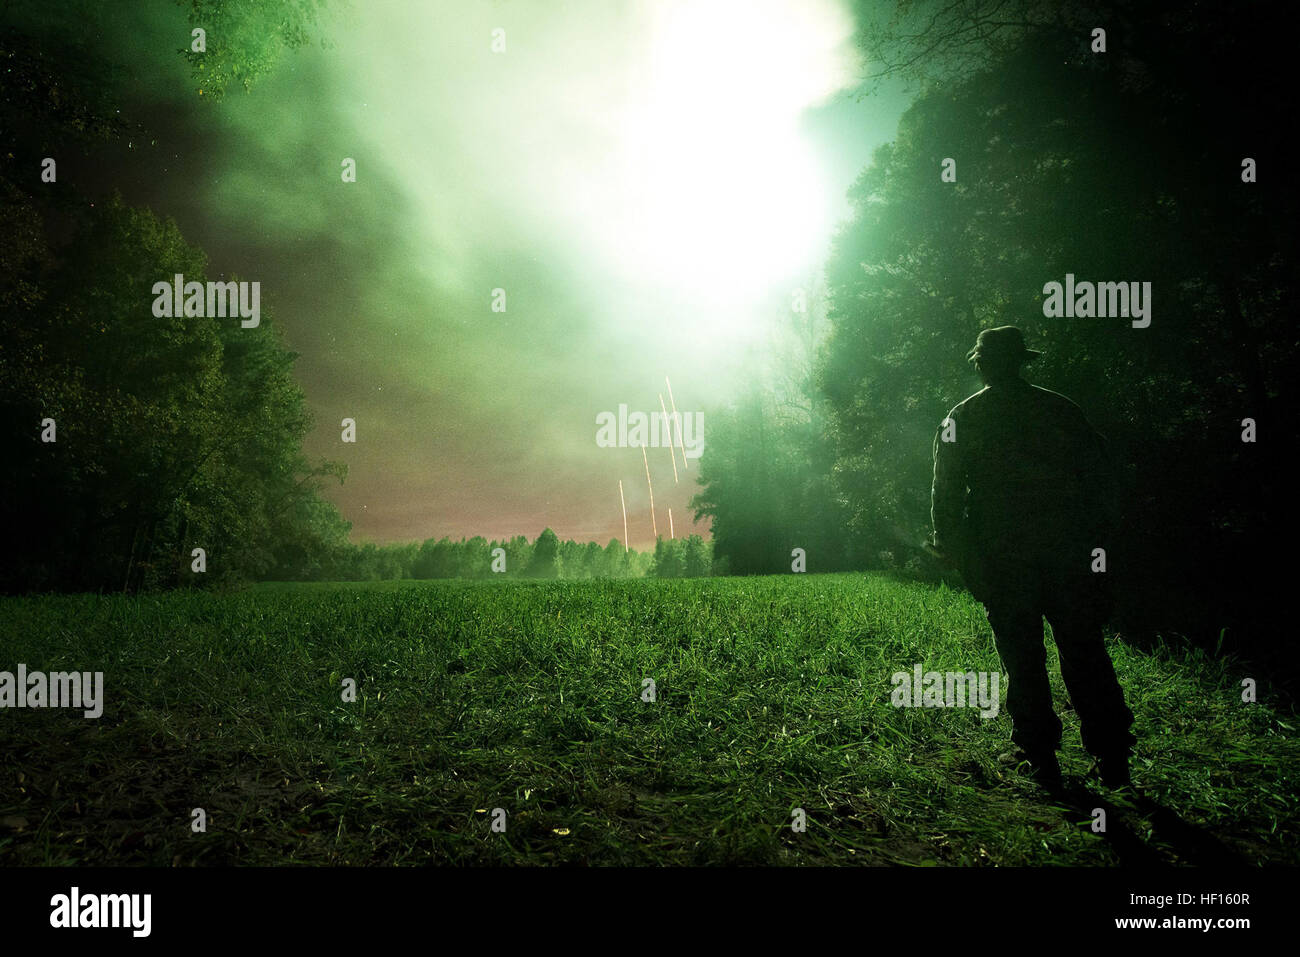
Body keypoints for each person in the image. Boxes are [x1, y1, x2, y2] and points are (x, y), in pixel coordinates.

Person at [930, 326, 1136, 790]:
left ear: (982, 363)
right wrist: (1100, 543)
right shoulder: (1060, 409)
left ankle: (1040, 756)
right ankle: (1112, 758)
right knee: (1084, 649)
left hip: (1002, 556)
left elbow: (946, 493)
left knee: (1022, 657)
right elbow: (1101, 477)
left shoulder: (963, 417)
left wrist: (954, 549)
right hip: (1067, 550)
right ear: (1022, 361)